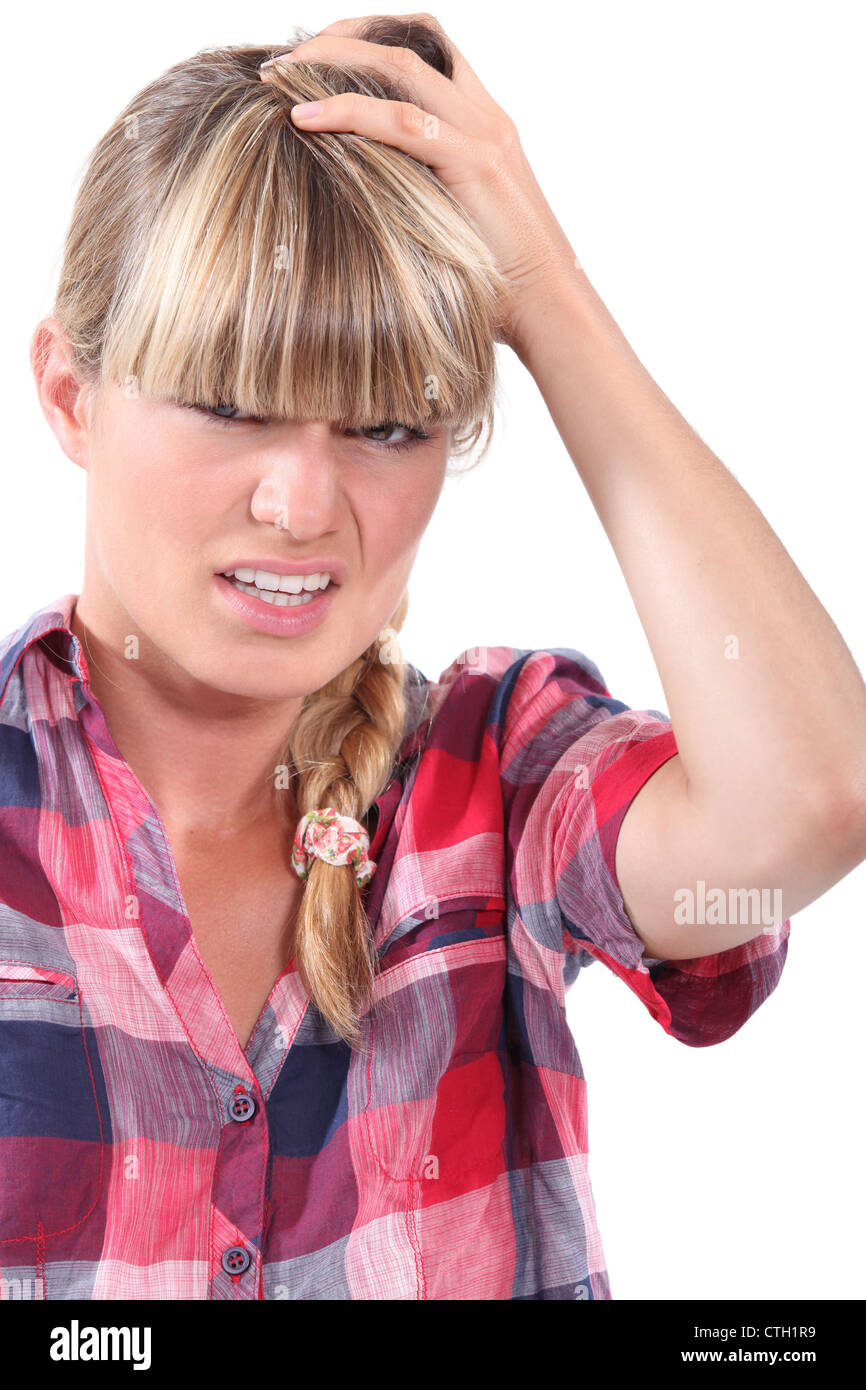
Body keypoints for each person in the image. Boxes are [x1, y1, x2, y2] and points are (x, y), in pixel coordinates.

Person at [2, 14, 864, 1302]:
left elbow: (810, 800)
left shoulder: (497, 776)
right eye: (230, 404)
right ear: (72, 396)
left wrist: (546, 290)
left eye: (389, 424)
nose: (302, 504)